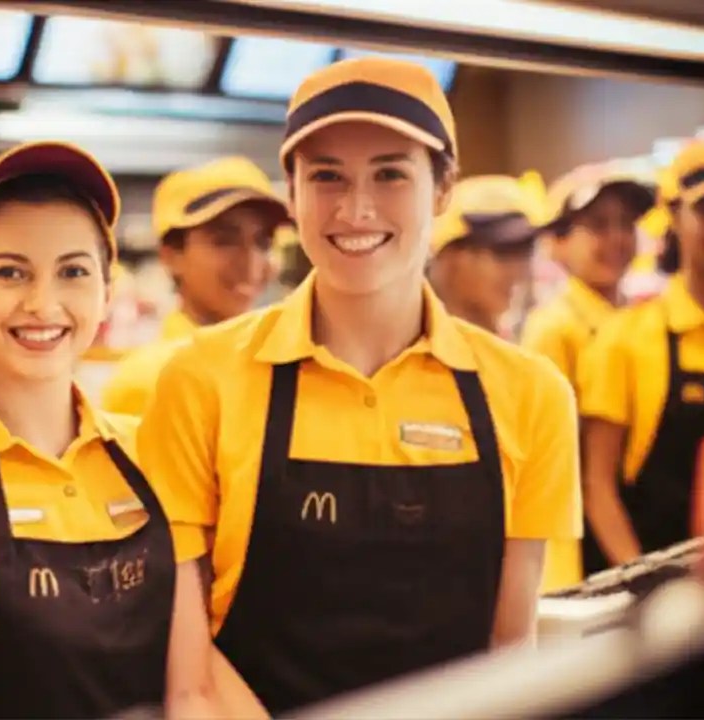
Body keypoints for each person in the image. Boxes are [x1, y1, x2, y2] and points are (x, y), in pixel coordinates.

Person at [136, 57, 581, 714]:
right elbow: (185, 665)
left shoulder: (530, 393)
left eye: (391, 174)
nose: (356, 207)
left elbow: (510, 652)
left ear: (442, 190)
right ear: (293, 193)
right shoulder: (199, 377)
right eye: (327, 177)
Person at [0, 141, 264, 719]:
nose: (43, 304)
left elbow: (191, 692)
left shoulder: (152, 451)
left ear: (106, 291)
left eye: (72, 272)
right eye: (11, 272)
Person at [521, 163, 656, 586]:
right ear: (556, 242)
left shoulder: (636, 321)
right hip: (581, 557)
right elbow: (553, 469)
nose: (616, 238)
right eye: (598, 225)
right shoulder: (553, 329)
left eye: (625, 223)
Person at [578, 142, 704, 570]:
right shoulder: (626, 339)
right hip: (655, 599)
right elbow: (596, 485)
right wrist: (639, 580)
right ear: (673, 217)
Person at [101, 156, 291, 416]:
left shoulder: (276, 365)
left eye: (263, 242)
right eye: (225, 241)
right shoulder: (151, 380)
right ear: (171, 256)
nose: (251, 263)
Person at [427, 175, 540, 336]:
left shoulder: (511, 343)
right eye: (503, 252)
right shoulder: (422, 346)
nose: (517, 270)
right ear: (451, 257)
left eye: (524, 251)